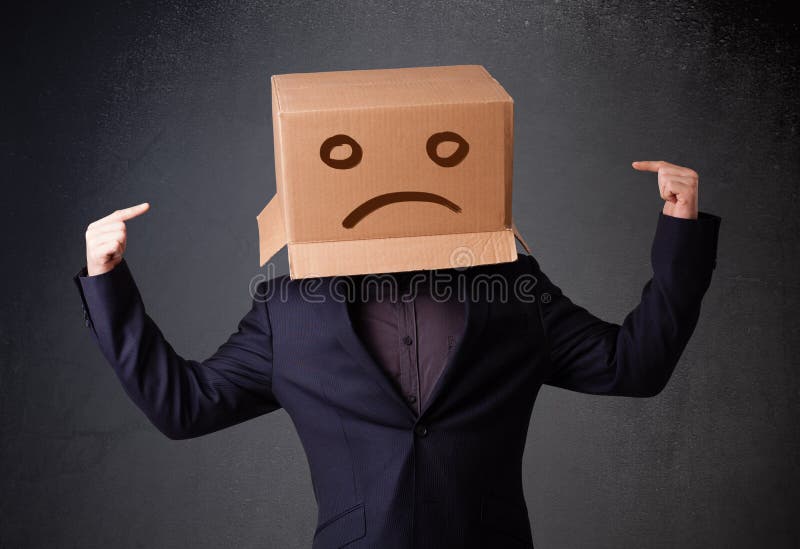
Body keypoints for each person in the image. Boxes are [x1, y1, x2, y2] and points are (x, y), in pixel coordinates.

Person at [73, 160, 721, 549]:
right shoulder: (290, 309)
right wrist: (108, 282)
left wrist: (679, 226)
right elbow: (184, 406)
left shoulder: (513, 290)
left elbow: (633, 365)